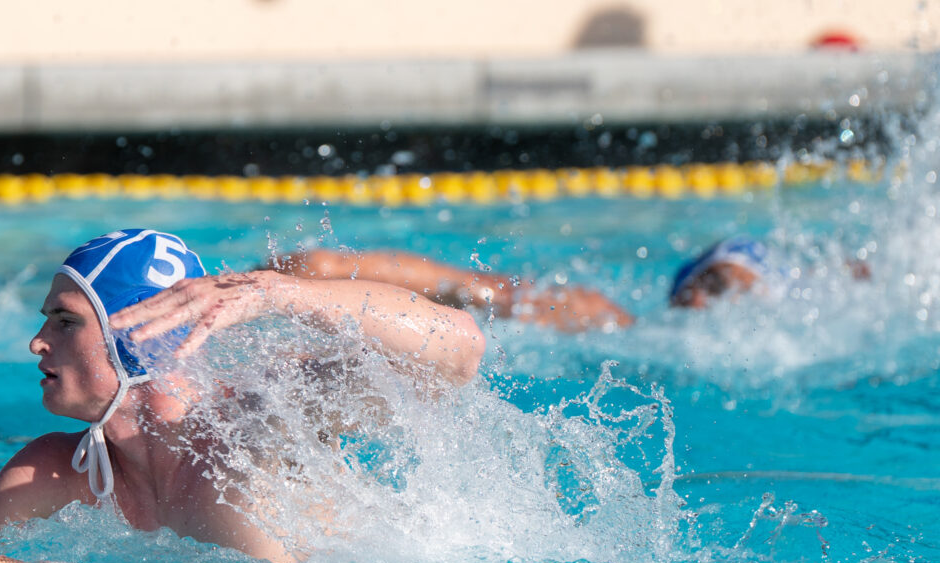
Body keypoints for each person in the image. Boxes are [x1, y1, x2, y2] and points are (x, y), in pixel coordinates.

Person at [0, 228, 486, 563]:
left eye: (65, 321)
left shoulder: (259, 430)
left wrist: (274, 293)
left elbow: (459, 348)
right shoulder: (46, 474)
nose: (36, 343)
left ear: (140, 336)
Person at [270, 233, 799, 328]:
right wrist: (331, 270)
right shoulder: (601, 315)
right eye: (713, 286)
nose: (707, 308)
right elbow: (468, 285)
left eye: (731, 295)